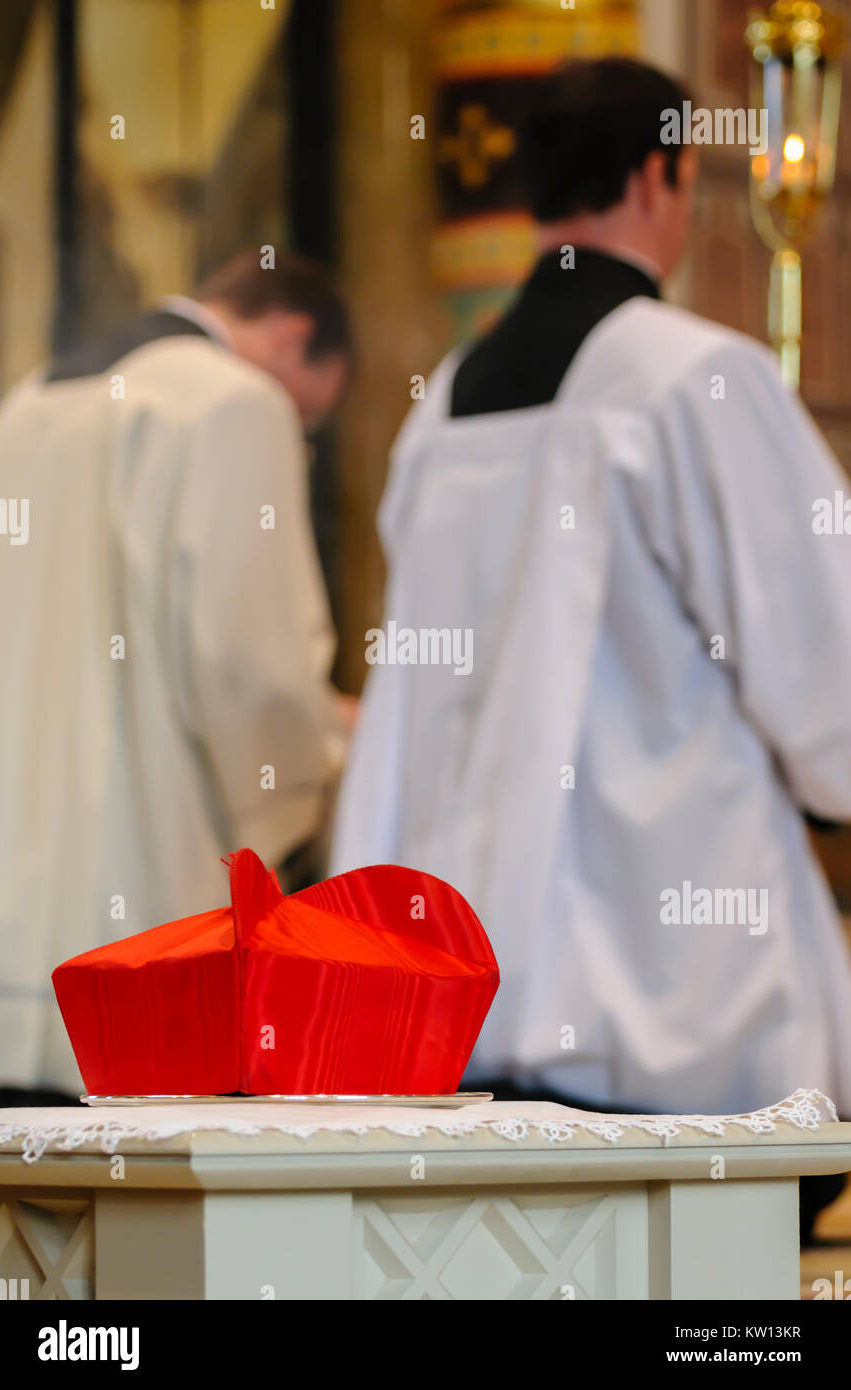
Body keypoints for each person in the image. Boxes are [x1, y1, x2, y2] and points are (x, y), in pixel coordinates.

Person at [330, 59, 851, 1234]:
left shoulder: (445, 402)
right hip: (675, 1007)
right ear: (660, 174)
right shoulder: (692, 375)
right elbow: (825, 665)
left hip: (470, 1007)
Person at [0, 248, 353, 1102]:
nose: (297, 434)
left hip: (6, 935)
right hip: (143, 910)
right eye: (310, 418)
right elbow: (249, 670)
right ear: (292, 339)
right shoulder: (231, 402)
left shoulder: (26, 403)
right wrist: (321, 747)